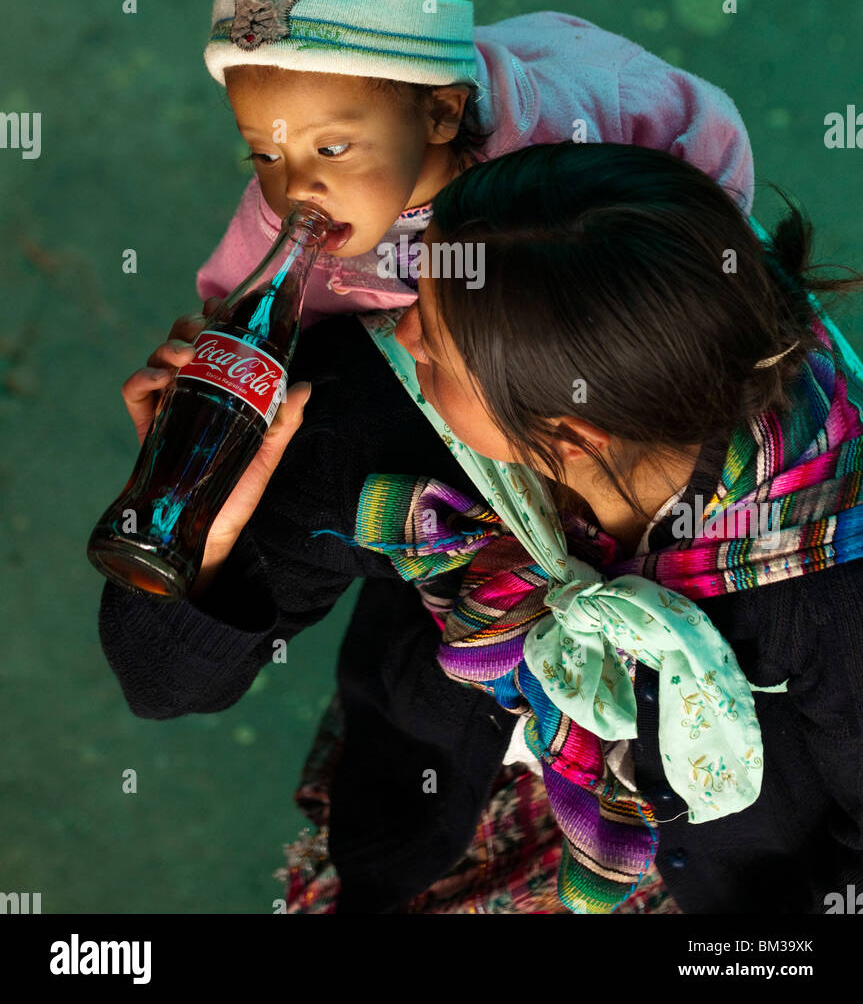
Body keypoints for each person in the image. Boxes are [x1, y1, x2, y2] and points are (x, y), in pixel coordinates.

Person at [98, 141, 863, 915]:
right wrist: (202, 523)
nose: (399, 336)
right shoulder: (369, 418)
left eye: (434, 345)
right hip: (435, 805)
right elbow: (158, 683)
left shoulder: (832, 581)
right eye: (418, 289)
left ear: (567, 438)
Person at [193, 0, 753, 326]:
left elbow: (700, 125)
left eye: (332, 148)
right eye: (264, 152)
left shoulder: (568, 128)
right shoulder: (274, 228)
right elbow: (240, 308)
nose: (295, 188)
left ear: (442, 113)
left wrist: (696, 271)